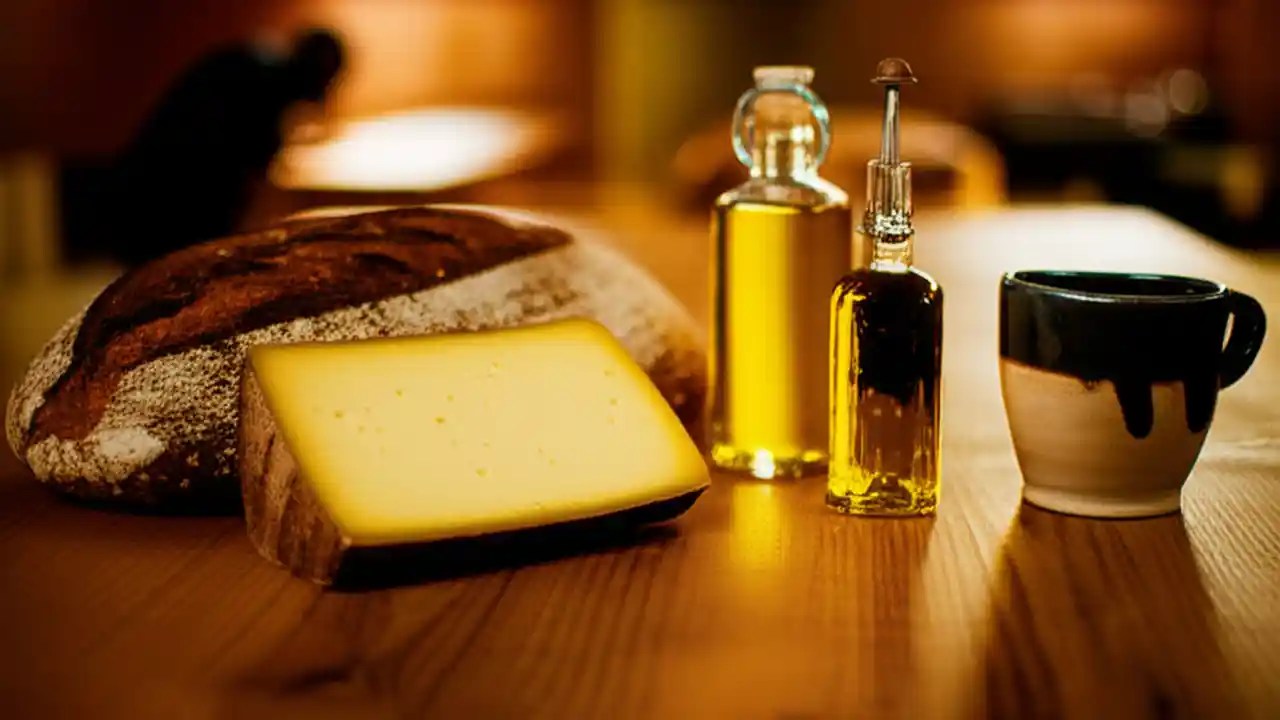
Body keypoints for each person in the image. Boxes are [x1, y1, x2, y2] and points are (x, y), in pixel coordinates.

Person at [70, 28, 345, 266]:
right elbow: (243, 186)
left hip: (149, 192)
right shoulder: (264, 96)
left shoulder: (245, 63)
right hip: (169, 205)